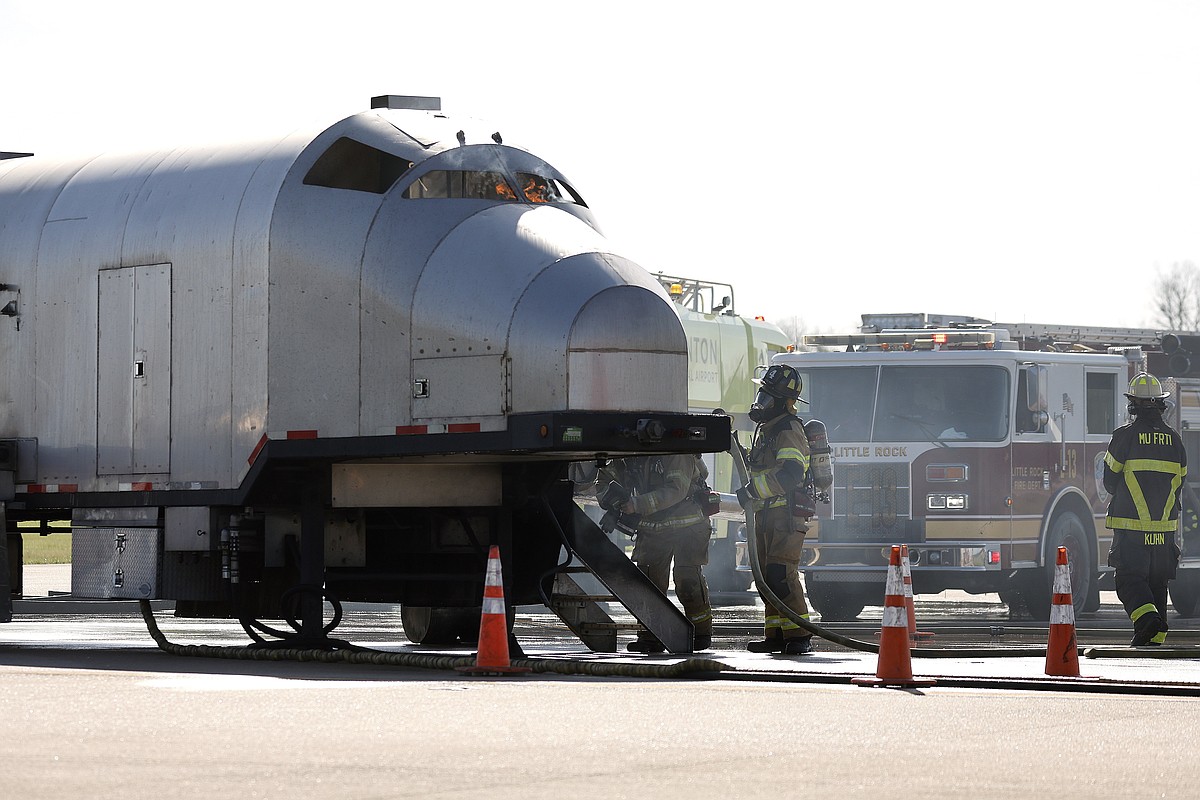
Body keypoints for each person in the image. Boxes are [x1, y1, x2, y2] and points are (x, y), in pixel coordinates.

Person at [588, 454, 714, 653]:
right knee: (649, 583)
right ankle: (651, 635)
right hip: (652, 526)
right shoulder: (628, 453)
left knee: (687, 581)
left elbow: (676, 489)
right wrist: (613, 504)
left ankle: (701, 633)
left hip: (688, 523)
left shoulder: (676, 452)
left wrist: (637, 505)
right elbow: (604, 480)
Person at [1103, 371, 1187, 647]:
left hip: (1131, 530)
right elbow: (1180, 481)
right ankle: (1153, 638)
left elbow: (1109, 480)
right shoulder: (1176, 441)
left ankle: (1148, 622)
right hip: (1164, 533)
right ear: (1161, 404)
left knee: (1129, 580)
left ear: (1132, 405)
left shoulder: (1124, 437)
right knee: (1157, 584)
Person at [736, 363, 815, 655]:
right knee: (765, 577)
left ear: (783, 402)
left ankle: (800, 635)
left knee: (780, 574)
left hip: (785, 514)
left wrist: (752, 491)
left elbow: (791, 473)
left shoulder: (788, 429)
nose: (761, 403)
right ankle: (775, 635)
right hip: (766, 513)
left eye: (768, 399)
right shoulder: (768, 430)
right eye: (762, 396)